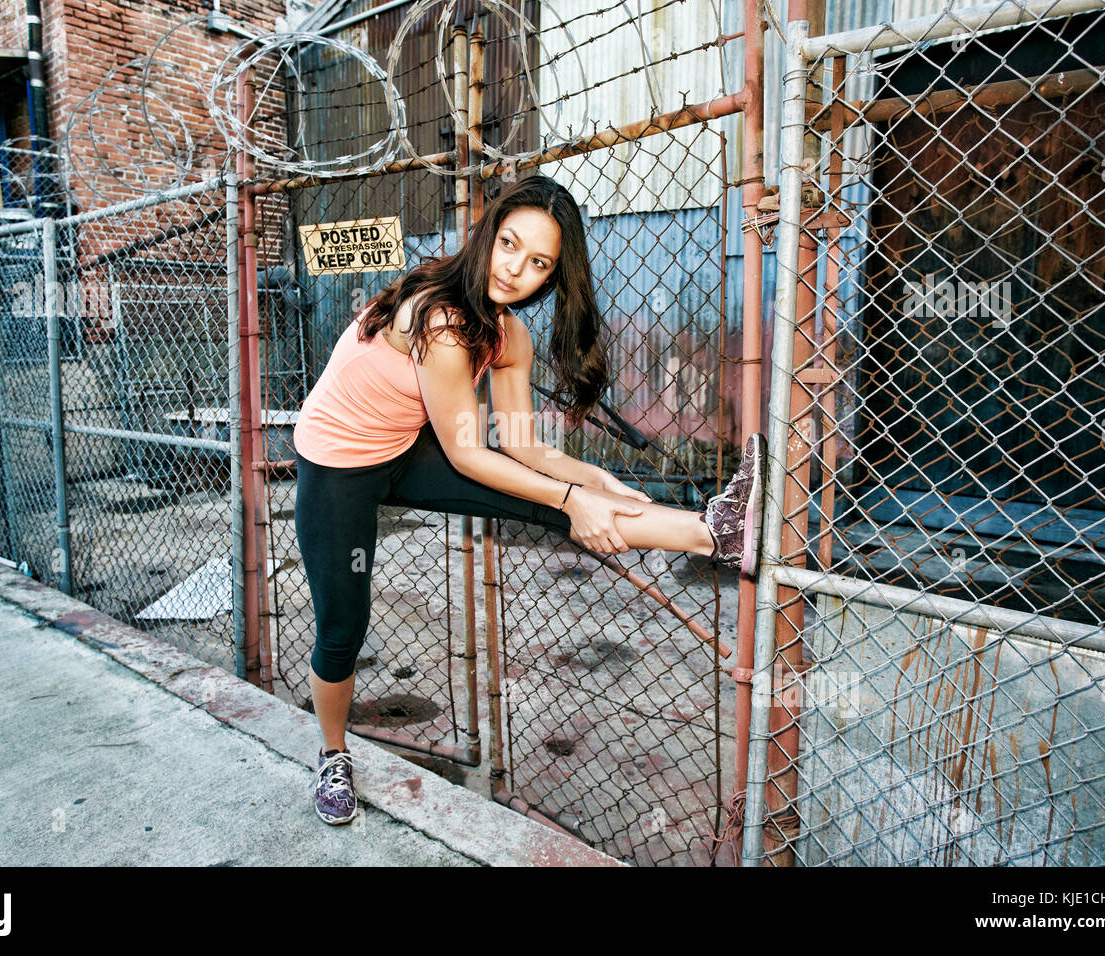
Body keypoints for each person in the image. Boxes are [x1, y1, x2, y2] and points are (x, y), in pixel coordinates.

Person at [292, 174, 764, 825]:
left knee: (558, 501)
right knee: (342, 626)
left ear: (552, 274)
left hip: (406, 447)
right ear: (488, 234)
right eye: (508, 244)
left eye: (538, 261)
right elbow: (467, 454)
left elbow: (524, 448)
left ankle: (720, 530)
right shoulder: (441, 317)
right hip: (337, 463)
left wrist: (598, 485)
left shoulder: (510, 337)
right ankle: (333, 752)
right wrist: (575, 496)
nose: (515, 269)